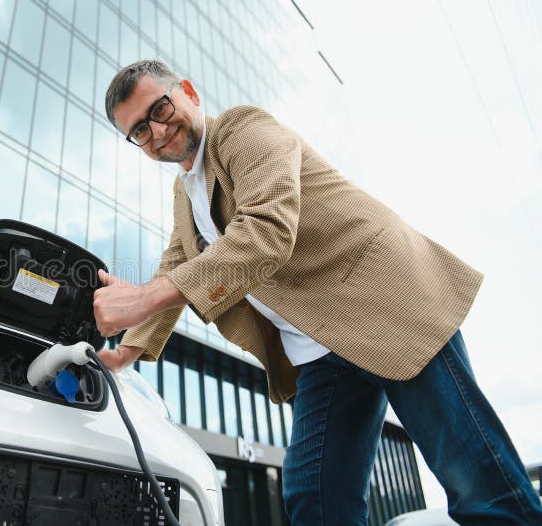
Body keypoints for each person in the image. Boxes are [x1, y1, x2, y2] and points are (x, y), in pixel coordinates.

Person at [92, 59, 542, 525]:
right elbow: (176, 263)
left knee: (478, 485)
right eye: (140, 130)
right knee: (316, 498)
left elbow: (265, 231)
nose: (158, 130)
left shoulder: (243, 131)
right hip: (318, 350)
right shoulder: (184, 191)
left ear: (188, 92)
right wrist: (127, 352)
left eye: (161, 109)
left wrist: (144, 298)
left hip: (385, 303)